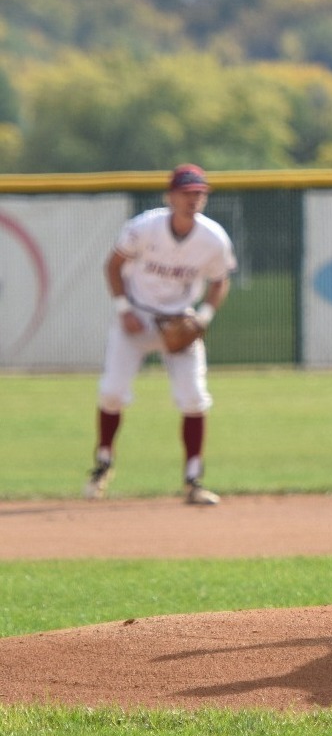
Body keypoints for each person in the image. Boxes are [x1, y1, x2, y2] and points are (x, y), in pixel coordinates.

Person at [85, 164, 236, 506]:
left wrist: (204, 316)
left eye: (199, 193)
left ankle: (193, 480)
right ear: (170, 196)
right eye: (187, 193)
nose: (193, 199)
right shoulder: (144, 227)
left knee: (195, 399)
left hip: (180, 323)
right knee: (111, 392)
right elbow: (112, 265)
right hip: (136, 318)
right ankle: (103, 463)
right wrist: (123, 309)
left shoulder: (213, 238)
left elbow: (220, 279)